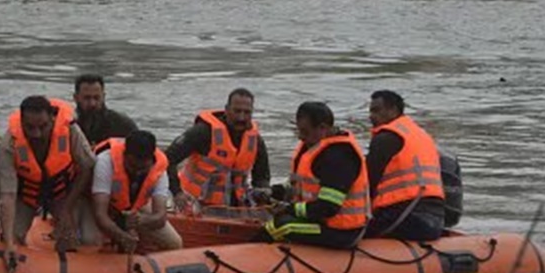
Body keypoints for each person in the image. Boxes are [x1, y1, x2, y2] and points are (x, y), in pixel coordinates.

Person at [0, 95, 99, 263]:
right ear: (21, 122)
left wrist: (67, 208)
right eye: (30, 128)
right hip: (26, 195)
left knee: (69, 238)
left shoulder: (70, 131)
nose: (37, 134)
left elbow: (87, 167)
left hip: (62, 193)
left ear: (52, 119)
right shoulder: (9, 143)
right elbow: (8, 195)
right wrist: (9, 243)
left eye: (43, 127)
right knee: (11, 236)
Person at [257, 102, 368, 249]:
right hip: (317, 220)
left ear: (322, 128)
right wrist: (272, 192)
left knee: (281, 226)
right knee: (272, 218)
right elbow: (298, 186)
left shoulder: (340, 156)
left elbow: (328, 207)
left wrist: (289, 209)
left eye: (305, 131)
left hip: (341, 231)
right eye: (299, 131)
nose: (301, 137)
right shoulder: (312, 145)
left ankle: (247, 261)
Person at [166, 87, 271, 212]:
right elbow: (166, 160)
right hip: (194, 202)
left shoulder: (256, 140)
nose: (241, 117)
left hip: (236, 206)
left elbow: (261, 177)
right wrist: (177, 192)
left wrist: (262, 195)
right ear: (226, 110)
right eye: (237, 111)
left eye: (246, 112)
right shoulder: (203, 132)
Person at [363, 90, 446, 241]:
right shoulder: (419, 134)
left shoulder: (386, 138)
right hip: (435, 217)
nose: (371, 116)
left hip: (405, 216)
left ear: (393, 110)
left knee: (344, 230)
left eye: (376, 111)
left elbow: (366, 184)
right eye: (370, 111)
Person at [91, 130, 183, 253]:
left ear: (151, 160)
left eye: (143, 168)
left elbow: (160, 216)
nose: (137, 172)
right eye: (132, 166)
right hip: (103, 203)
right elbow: (100, 214)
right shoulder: (105, 162)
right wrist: (121, 236)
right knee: (90, 240)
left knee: (174, 243)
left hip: (137, 207)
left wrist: (143, 220)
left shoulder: (159, 170)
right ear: (124, 155)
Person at [72, 74, 138, 146]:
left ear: (103, 97)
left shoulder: (123, 126)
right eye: (87, 98)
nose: (92, 103)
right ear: (76, 98)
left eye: (96, 98)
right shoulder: (66, 125)